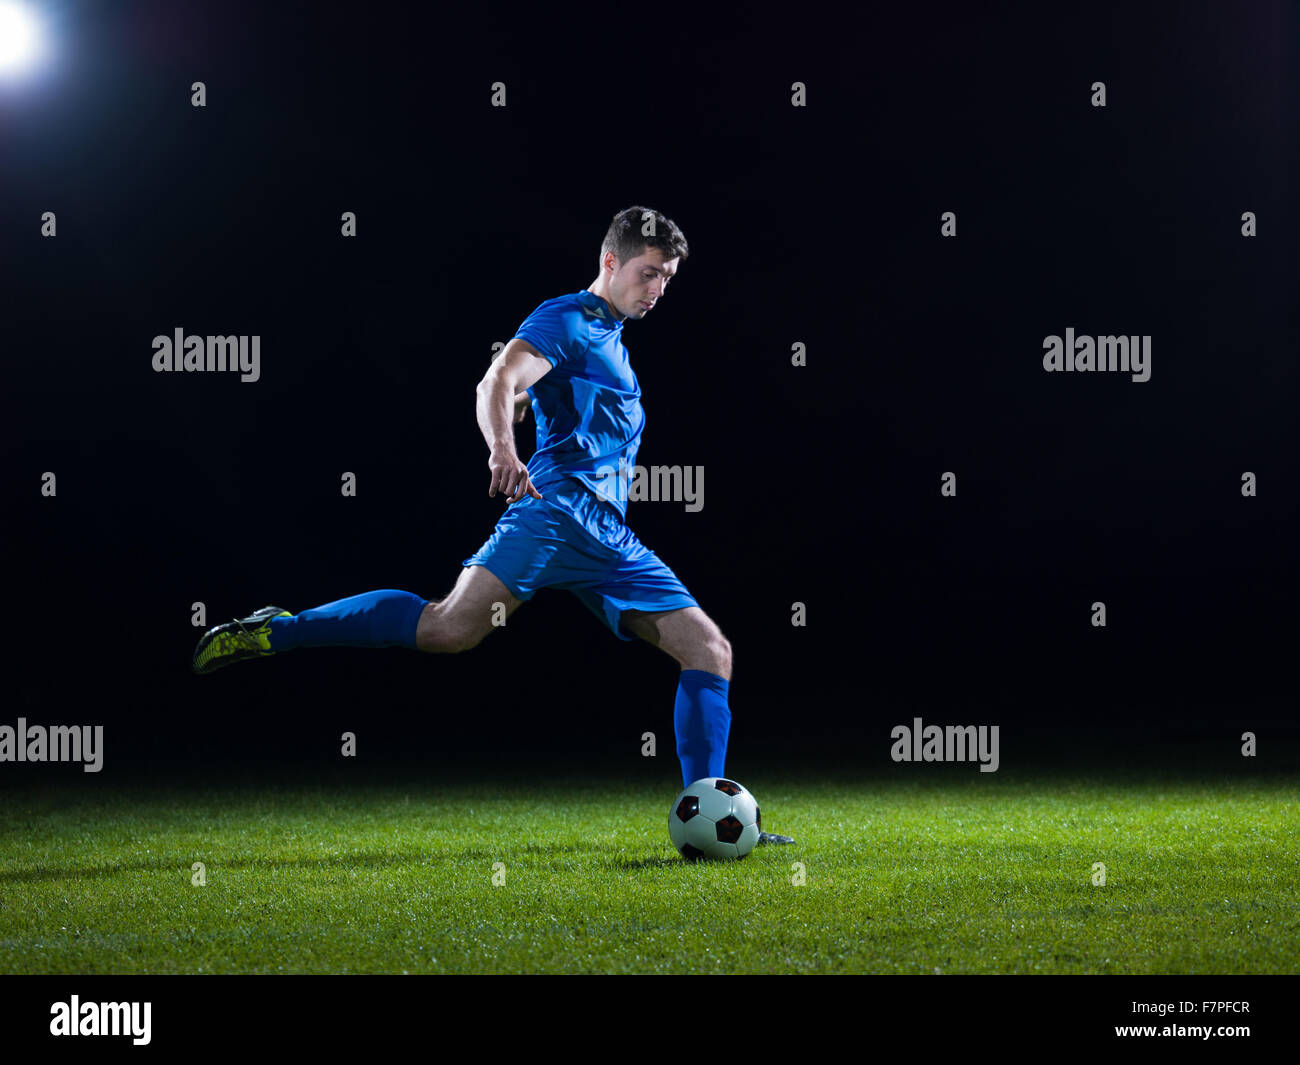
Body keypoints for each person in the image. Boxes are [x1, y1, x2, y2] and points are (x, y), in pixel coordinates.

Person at [192, 205, 794, 845]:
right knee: (448, 628)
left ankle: (712, 812)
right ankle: (276, 631)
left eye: (668, 278)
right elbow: (497, 377)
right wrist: (503, 447)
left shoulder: (608, 336)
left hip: (609, 537)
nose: (658, 290)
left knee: (709, 651)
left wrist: (532, 401)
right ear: (610, 261)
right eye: (648, 273)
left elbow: (536, 390)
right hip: (553, 516)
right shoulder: (565, 317)